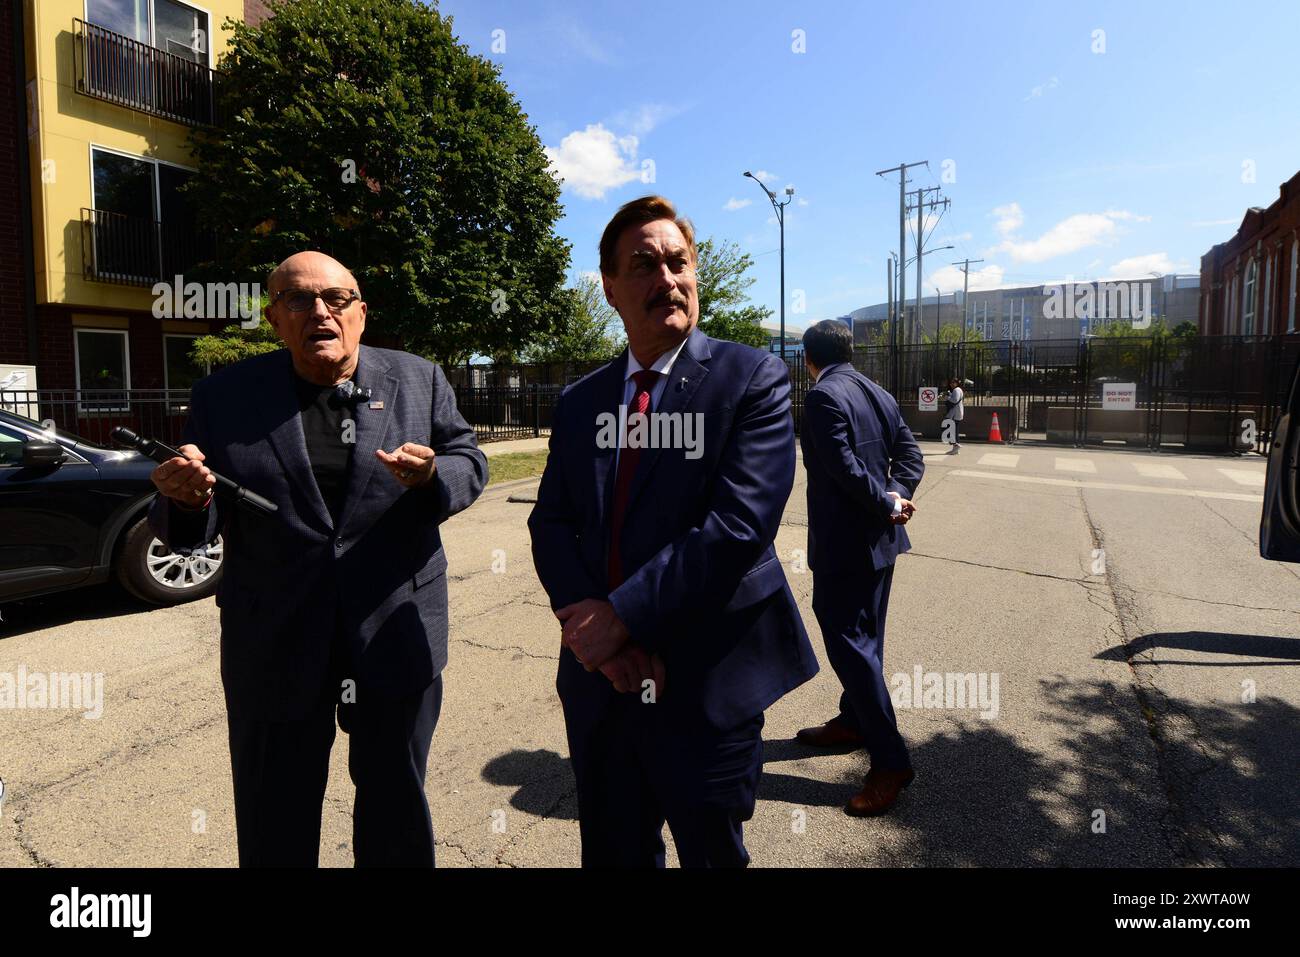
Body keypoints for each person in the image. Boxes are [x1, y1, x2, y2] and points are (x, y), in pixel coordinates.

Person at [148, 251, 487, 866]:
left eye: (335, 298)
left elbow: (470, 458)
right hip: (274, 639)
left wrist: (436, 476)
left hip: (393, 630)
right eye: (298, 300)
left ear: (360, 312)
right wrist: (188, 501)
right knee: (274, 808)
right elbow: (198, 519)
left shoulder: (417, 378)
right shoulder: (225, 397)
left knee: (395, 806)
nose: (319, 312)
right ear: (276, 319)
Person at [528, 195, 818, 867]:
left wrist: (620, 617)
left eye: (678, 261)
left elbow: (739, 525)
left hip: (707, 684)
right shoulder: (581, 402)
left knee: (712, 856)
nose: (667, 277)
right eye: (644, 264)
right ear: (609, 287)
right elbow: (551, 520)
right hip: (601, 686)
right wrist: (594, 636)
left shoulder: (752, 378)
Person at [795, 319, 925, 816]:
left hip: (846, 544)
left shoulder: (823, 396)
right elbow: (910, 456)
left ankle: (891, 761)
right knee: (866, 638)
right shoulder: (879, 393)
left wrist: (884, 503)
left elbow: (840, 466)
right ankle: (853, 720)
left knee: (848, 642)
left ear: (809, 358)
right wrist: (897, 497)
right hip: (880, 541)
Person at [943, 376, 965, 453]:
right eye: (951, 382)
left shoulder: (956, 390)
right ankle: (955, 448)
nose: (952, 384)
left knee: (947, 429)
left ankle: (955, 445)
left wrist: (947, 397)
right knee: (954, 431)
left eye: (954, 382)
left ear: (957, 383)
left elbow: (954, 400)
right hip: (957, 413)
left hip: (954, 414)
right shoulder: (957, 390)